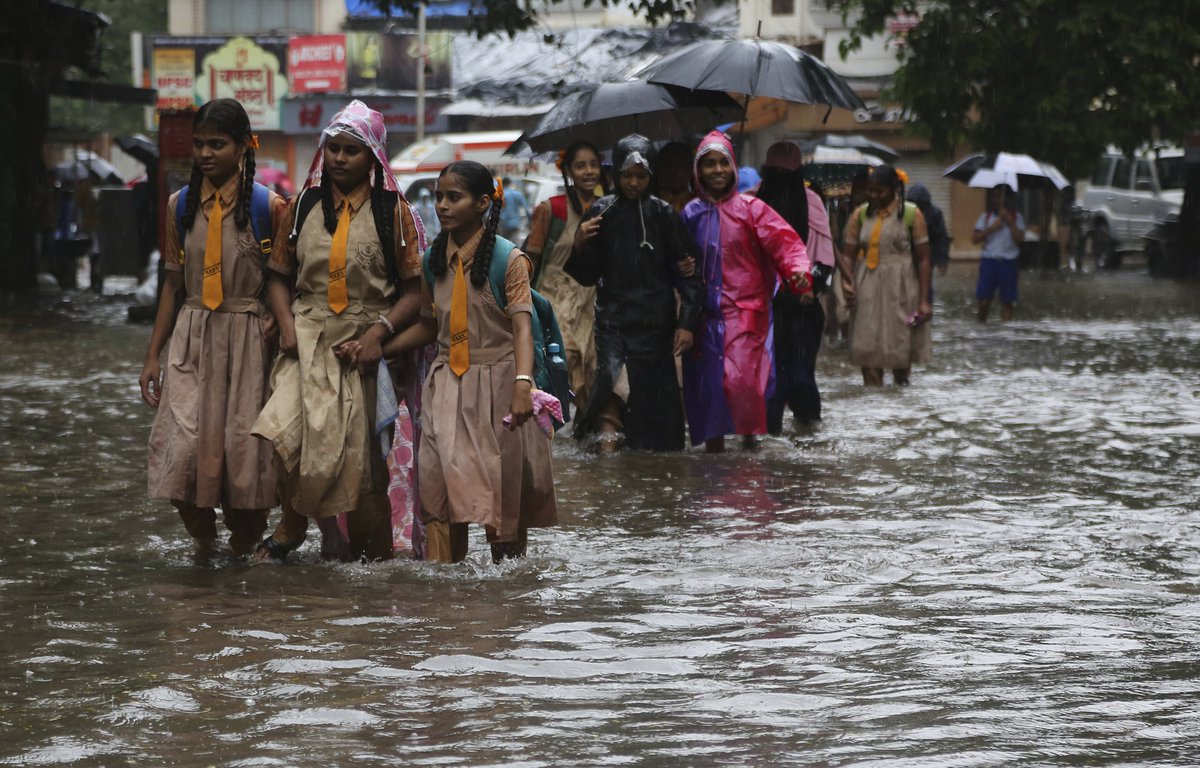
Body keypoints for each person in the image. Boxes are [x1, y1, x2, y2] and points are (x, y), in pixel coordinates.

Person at [252, 100, 426, 563]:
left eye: (352, 151)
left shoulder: (394, 213)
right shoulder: (301, 206)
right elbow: (278, 277)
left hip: (362, 347)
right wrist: (286, 325)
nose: (340, 159)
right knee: (280, 432)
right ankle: (291, 527)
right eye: (333, 149)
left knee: (361, 465)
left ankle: (373, 566)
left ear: (373, 159)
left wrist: (378, 336)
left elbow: (415, 293)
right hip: (304, 336)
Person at [383, 161, 558, 563]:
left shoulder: (507, 260)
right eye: (440, 197)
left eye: (454, 198)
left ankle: (505, 587)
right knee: (440, 485)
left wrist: (522, 383)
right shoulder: (432, 260)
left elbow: (522, 328)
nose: (442, 205)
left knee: (501, 493)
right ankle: (446, 590)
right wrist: (382, 346)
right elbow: (430, 326)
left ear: (482, 203)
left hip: (500, 385)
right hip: (447, 384)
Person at [139, 98, 288, 560]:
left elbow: (289, 282)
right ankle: (205, 543)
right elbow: (170, 286)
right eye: (199, 144)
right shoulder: (179, 205)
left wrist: (275, 320)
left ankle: (241, 561)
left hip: (248, 343)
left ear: (245, 146)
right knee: (179, 457)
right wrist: (152, 356)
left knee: (245, 464)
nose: (206, 154)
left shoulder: (271, 208)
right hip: (192, 339)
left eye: (218, 144)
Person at [565, 134, 704, 452]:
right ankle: (608, 464)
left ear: (651, 176)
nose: (633, 182)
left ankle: (651, 466)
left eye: (641, 176)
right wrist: (580, 243)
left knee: (657, 400)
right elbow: (586, 276)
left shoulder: (665, 214)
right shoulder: (601, 212)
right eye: (626, 175)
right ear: (614, 176)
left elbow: (690, 273)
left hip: (656, 323)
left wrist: (686, 322)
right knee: (613, 387)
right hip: (613, 322)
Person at [680, 130, 813, 453]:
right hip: (704, 316)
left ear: (733, 166)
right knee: (710, 387)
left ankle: (749, 447)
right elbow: (678, 255)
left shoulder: (752, 209)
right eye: (708, 164)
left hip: (746, 311)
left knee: (743, 383)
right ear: (698, 171)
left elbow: (785, 243)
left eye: (722, 163)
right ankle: (715, 454)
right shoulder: (690, 213)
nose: (716, 170)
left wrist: (798, 274)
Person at [756, 141, 836, 432]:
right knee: (770, 381)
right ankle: (768, 442)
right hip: (762, 308)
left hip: (803, 308)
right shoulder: (751, 202)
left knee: (801, 379)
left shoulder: (812, 202)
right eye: (774, 173)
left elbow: (825, 256)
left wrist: (807, 286)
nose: (780, 180)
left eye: (786, 173)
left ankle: (809, 441)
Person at [523, 141, 602, 417]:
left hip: (591, 300)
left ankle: (582, 430)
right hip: (554, 296)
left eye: (594, 164)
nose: (589, 171)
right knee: (564, 357)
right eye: (581, 166)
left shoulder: (606, 208)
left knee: (592, 365)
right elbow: (531, 258)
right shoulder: (550, 208)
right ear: (568, 170)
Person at [836, 165, 932, 387]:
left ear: (894, 189)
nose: (874, 196)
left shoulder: (911, 215)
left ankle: (897, 412)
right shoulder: (859, 215)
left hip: (902, 288)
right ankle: (874, 414)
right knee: (867, 356)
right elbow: (847, 255)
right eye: (871, 191)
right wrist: (846, 281)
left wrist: (924, 301)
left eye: (880, 191)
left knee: (900, 358)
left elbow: (925, 259)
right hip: (866, 287)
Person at [972, 184, 1025, 322]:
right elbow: (975, 240)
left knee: (1007, 302)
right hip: (989, 262)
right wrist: (991, 228)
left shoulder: (1017, 217)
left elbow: (1019, 239)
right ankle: (981, 328)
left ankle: (1006, 333)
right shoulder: (985, 217)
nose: (996, 200)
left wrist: (1009, 220)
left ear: (1008, 198)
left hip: (1009, 263)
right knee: (984, 301)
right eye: (994, 197)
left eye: (1000, 196)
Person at [907, 183, 950, 287]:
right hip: (908, 256)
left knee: (925, 287)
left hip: (927, 255)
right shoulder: (905, 213)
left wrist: (942, 261)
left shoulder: (935, 214)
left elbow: (942, 238)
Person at [655, 140, 695, 213]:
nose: (674, 171)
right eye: (668, 165)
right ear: (659, 169)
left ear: (690, 168)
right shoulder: (651, 206)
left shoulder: (702, 206)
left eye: (681, 165)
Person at [498, 176, 530, 243]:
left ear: (502, 184)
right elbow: (527, 209)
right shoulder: (517, 194)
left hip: (504, 223)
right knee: (515, 243)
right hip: (515, 222)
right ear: (510, 183)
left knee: (504, 243)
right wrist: (530, 221)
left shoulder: (501, 195)